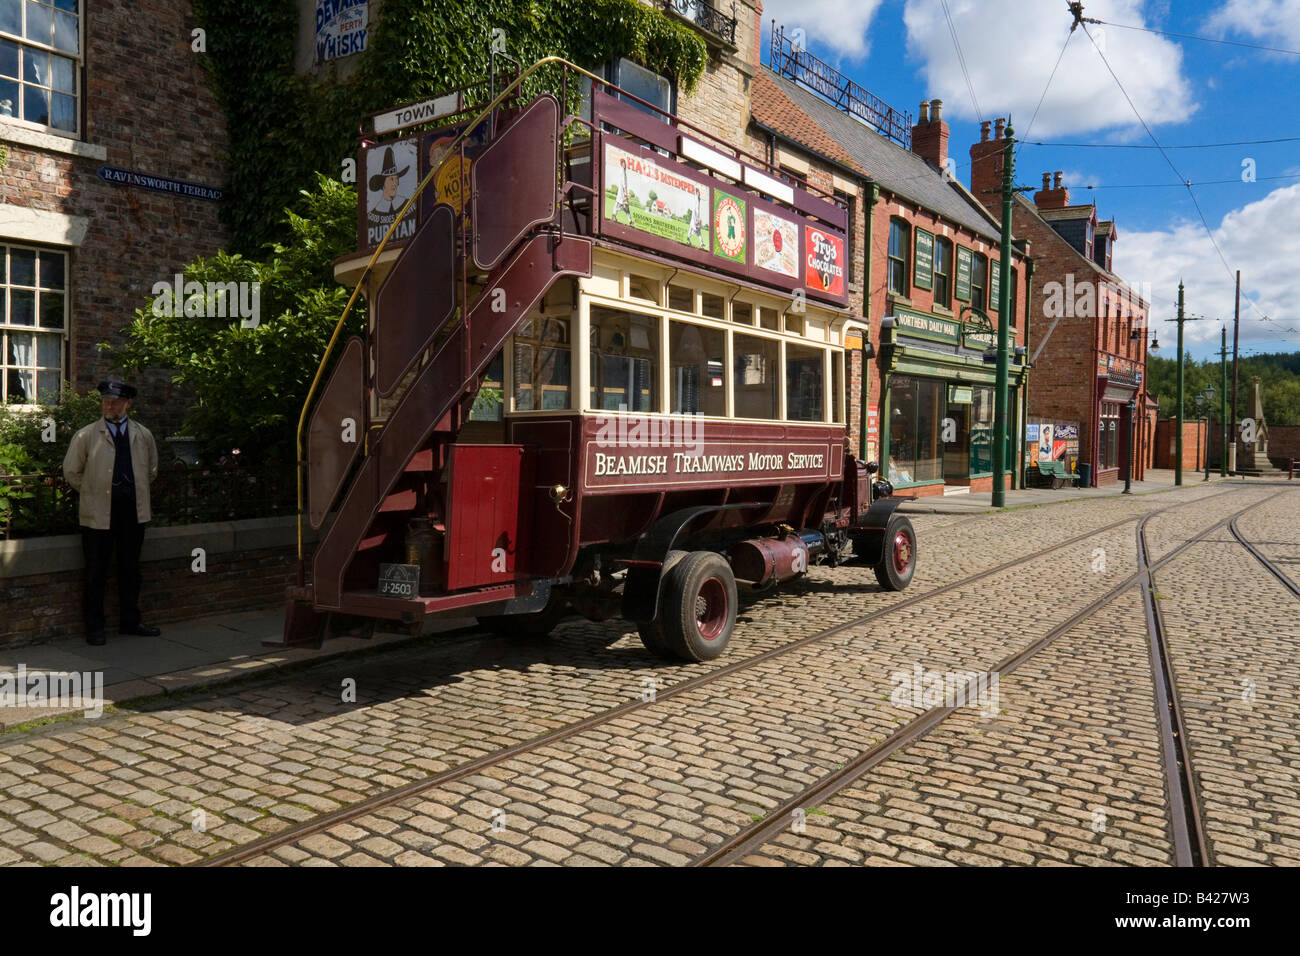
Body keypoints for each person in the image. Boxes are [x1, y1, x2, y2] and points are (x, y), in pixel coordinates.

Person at [62, 381, 161, 645]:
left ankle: (131, 621)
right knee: (96, 571)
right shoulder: (85, 436)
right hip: (97, 515)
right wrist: (94, 491)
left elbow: (151, 470)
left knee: (131, 570)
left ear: (128, 403)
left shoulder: (144, 435)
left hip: (132, 513)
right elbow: (72, 471)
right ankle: (94, 627)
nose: (109, 405)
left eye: (115, 401)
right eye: (106, 400)